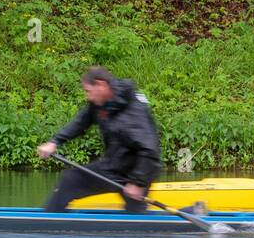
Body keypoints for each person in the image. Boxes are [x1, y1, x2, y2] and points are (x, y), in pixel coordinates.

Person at [37, 66, 163, 212]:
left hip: (137, 171)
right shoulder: (99, 104)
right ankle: (51, 219)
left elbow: (150, 150)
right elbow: (80, 123)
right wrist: (54, 142)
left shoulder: (133, 110)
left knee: (136, 218)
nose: (88, 97)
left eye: (88, 91)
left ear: (101, 85)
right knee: (70, 180)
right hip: (112, 166)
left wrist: (138, 183)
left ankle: (166, 222)